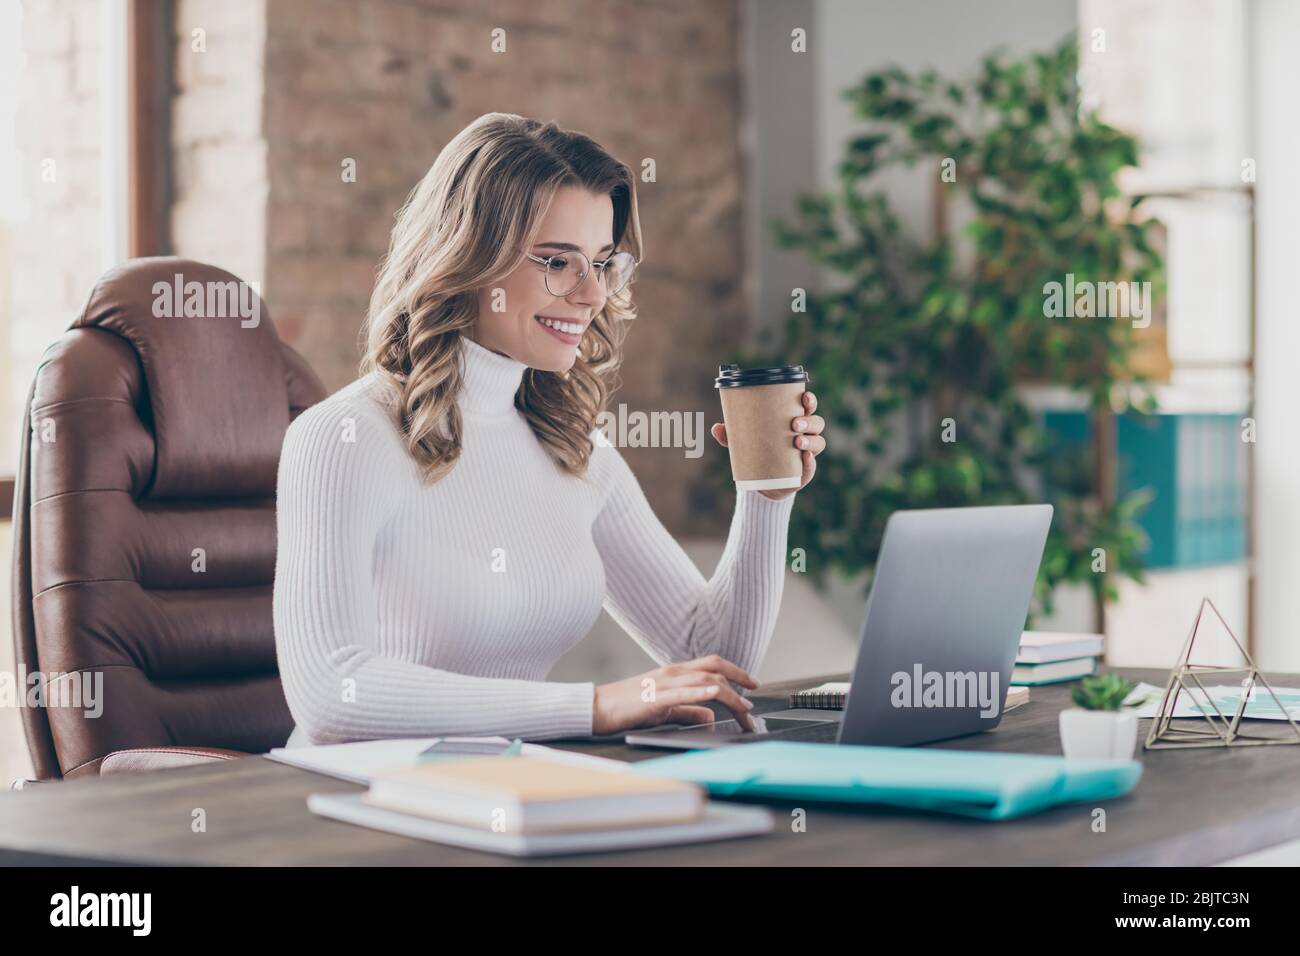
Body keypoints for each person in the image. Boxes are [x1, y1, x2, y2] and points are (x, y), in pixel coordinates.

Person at [273, 113, 827, 746]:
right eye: (558, 262)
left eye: (602, 262)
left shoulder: (574, 448)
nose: (592, 295)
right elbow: (330, 694)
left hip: (517, 793)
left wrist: (766, 494)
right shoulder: (341, 437)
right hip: (360, 811)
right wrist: (591, 707)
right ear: (469, 256)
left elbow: (711, 654)